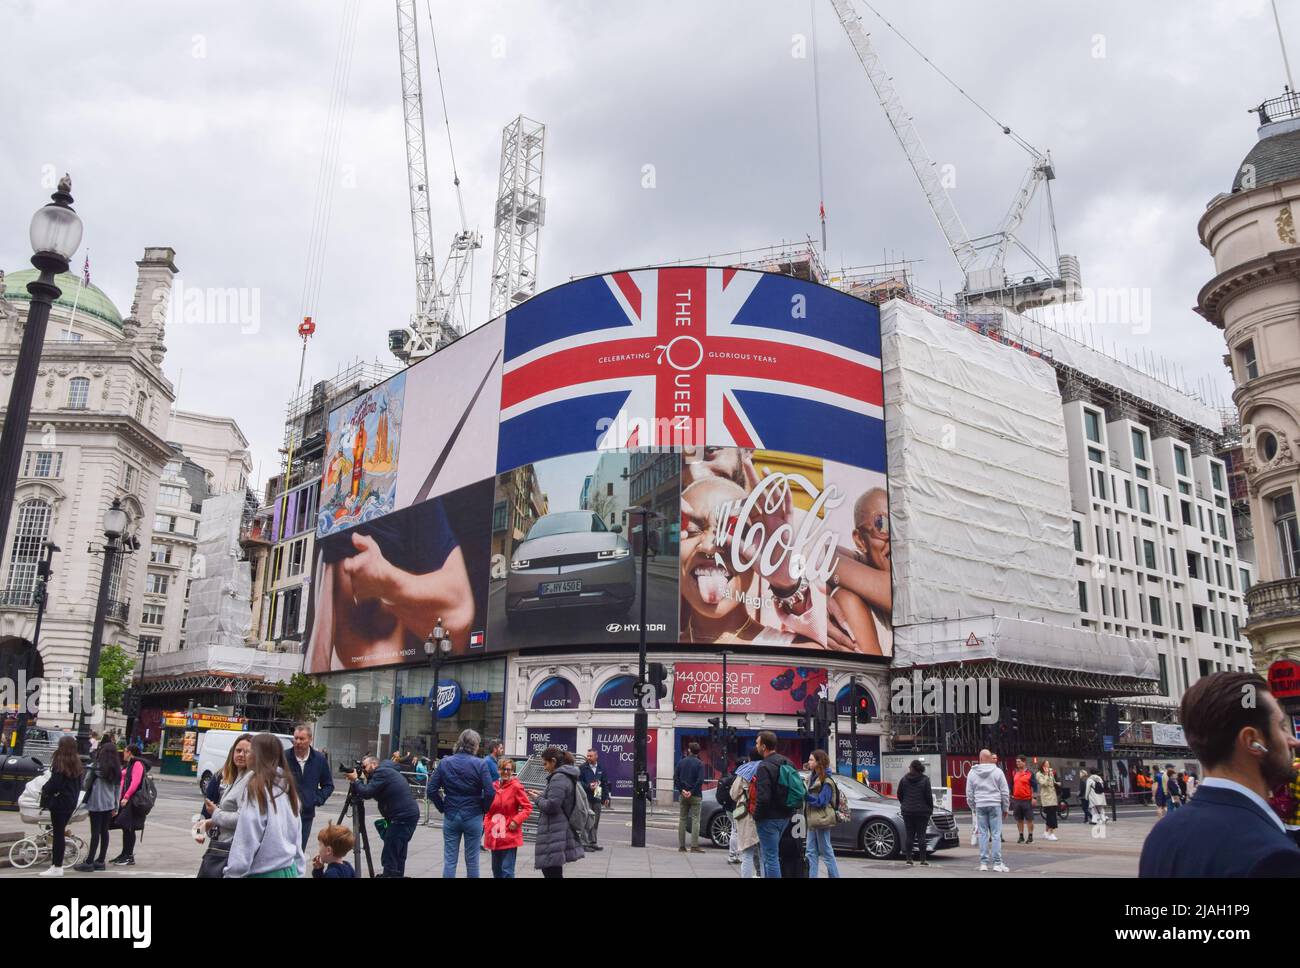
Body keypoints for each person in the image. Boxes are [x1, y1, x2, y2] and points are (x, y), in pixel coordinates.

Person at [1141, 672, 1300, 876]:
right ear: (1252, 740)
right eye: (1281, 727)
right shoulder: (1273, 856)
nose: (1293, 741)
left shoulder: (1162, 835)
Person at [224, 733, 306, 878]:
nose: (246, 755)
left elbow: (247, 838)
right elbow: (296, 837)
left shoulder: (257, 788)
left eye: (249, 751)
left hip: (264, 872)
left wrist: (232, 873)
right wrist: (299, 871)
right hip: (288, 870)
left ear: (258, 756)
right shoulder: (287, 788)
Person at [426, 729, 495, 878]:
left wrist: (442, 807)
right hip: (473, 815)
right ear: (475, 745)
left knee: (450, 861)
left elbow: (431, 790)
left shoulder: (445, 762)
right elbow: (490, 791)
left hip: (451, 814)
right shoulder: (480, 764)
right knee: (472, 861)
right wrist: (483, 808)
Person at [347, 753, 421, 877]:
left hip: (401, 816)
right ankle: (395, 875)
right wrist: (362, 779)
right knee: (397, 852)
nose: (363, 770)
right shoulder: (385, 772)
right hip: (407, 815)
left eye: (365, 767)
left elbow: (366, 792)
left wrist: (355, 780)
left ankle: (390, 875)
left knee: (390, 853)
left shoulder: (381, 772)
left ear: (374, 764)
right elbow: (372, 792)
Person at [199, 732, 253, 875]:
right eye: (238, 750)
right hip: (222, 844)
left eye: (247, 752)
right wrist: (207, 823)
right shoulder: (231, 776)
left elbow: (243, 818)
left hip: (233, 849)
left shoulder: (251, 779)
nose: (241, 754)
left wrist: (215, 814)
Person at [532, 746, 584, 878]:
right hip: (557, 829)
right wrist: (542, 794)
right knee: (553, 870)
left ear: (553, 761)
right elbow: (557, 799)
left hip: (554, 831)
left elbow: (552, 806)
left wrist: (537, 798)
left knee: (551, 871)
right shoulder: (564, 776)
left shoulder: (559, 777)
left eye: (545, 763)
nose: (544, 767)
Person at [751, 731, 797, 878]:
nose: (756, 746)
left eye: (757, 743)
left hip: (768, 818)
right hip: (785, 816)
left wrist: (756, 816)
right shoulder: (787, 762)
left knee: (770, 857)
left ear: (764, 746)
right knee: (771, 855)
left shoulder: (764, 766)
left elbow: (763, 798)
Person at [73, 733, 121, 873]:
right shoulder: (116, 770)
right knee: (104, 831)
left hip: (95, 802)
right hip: (109, 803)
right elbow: (117, 790)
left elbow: (86, 784)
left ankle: (89, 861)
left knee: (95, 832)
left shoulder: (95, 767)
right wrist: (115, 806)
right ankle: (100, 860)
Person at [38, 736, 84, 877]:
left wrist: (45, 790)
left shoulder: (60, 762)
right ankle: (56, 866)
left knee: (58, 834)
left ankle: (57, 866)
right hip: (70, 802)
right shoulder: (76, 763)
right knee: (59, 833)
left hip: (59, 802)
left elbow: (55, 783)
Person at [286, 723, 334, 849]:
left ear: (310, 740)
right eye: (295, 738)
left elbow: (328, 785)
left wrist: (316, 799)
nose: (298, 742)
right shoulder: (284, 757)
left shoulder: (319, 759)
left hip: (306, 815)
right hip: (285, 814)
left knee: (299, 851)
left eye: (302, 739)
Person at [483, 758, 532, 878]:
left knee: (507, 871)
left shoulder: (516, 787)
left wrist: (516, 821)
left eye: (509, 769)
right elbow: (486, 808)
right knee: (496, 870)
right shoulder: (492, 787)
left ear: (512, 771)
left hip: (509, 833)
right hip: (495, 833)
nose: (506, 772)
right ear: (498, 770)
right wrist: (487, 823)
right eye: (503, 769)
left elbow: (527, 807)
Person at [966, 749, 1010, 872]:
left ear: (979, 758)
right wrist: (1005, 807)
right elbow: (1005, 792)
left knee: (983, 834)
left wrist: (973, 807)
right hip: (995, 804)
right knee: (996, 834)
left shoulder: (972, 773)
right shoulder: (998, 772)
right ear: (990, 758)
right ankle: (997, 863)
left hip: (980, 805)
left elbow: (969, 793)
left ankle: (984, 863)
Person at [109, 742, 149, 866]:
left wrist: (126, 796)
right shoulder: (129, 764)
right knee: (125, 828)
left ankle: (129, 856)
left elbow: (135, 782)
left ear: (130, 753)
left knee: (129, 827)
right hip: (124, 800)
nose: (123, 753)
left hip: (132, 801)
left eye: (125, 751)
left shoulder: (137, 764)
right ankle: (124, 854)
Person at [804, 749, 841, 878]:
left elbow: (822, 802)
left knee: (826, 852)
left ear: (819, 762)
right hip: (812, 819)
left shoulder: (827, 781)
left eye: (811, 759)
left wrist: (806, 797)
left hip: (822, 819)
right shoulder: (812, 777)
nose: (809, 762)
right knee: (810, 852)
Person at [730, 750, 764, 878]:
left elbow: (733, 794)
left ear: (750, 758)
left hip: (748, 815)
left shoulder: (745, 771)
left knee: (747, 853)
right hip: (766, 814)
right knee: (764, 854)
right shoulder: (768, 768)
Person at [896, 758, 934, 865]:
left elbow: (899, 794)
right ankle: (923, 859)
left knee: (910, 835)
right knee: (921, 835)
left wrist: (904, 804)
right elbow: (928, 797)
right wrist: (930, 809)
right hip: (922, 812)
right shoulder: (925, 780)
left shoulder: (904, 779)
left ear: (912, 768)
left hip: (908, 811)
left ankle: (909, 858)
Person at [674, 741, 706, 853]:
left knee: (682, 819)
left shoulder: (681, 762)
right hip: (696, 795)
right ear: (698, 752)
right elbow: (700, 780)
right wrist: (692, 792)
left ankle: (682, 846)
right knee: (696, 820)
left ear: (689, 750)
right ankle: (694, 846)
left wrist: (681, 790)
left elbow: (675, 778)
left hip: (683, 794)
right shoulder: (700, 764)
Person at [578, 748, 611, 851]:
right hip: (586, 797)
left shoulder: (601, 768)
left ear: (596, 756)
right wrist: (588, 786)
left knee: (595, 821)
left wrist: (606, 797)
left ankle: (593, 842)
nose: (588, 758)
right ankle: (584, 843)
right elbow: (578, 782)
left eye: (590, 756)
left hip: (597, 796)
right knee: (586, 820)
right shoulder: (582, 768)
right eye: (588, 756)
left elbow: (605, 783)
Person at [1010, 755, 1037, 844]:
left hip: (1027, 800)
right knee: (1019, 819)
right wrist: (1011, 795)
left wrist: (1034, 798)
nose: (1017, 763)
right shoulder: (1014, 772)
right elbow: (1012, 784)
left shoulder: (1030, 773)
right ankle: (1021, 836)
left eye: (1019, 762)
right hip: (1017, 800)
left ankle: (1030, 836)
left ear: (1024, 762)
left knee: (1029, 819)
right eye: (1016, 762)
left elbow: (1035, 786)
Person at [1036, 760, 1060, 841]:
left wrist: (1056, 783)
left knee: (1051, 814)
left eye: (1048, 765)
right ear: (1042, 766)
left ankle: (1046, 832)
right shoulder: (1039, 774)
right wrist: (1046, 774)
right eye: (1045, 765)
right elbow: (1043, 783)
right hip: (1046, 797)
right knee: (1051, 815)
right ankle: (1051, 833)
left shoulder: (1050, 772)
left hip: (1053, 796)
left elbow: (1052, 782)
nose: (1047, 766)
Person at [1086, 771, 1109, 838]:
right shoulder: (1100, 778)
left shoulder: (1089, 779)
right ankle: (1103, 818)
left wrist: (1086, 796)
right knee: (1100, 808)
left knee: (1094, 808)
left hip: (1093, 795)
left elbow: (1087, 789)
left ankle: (1095, 820)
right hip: (1101, 795)